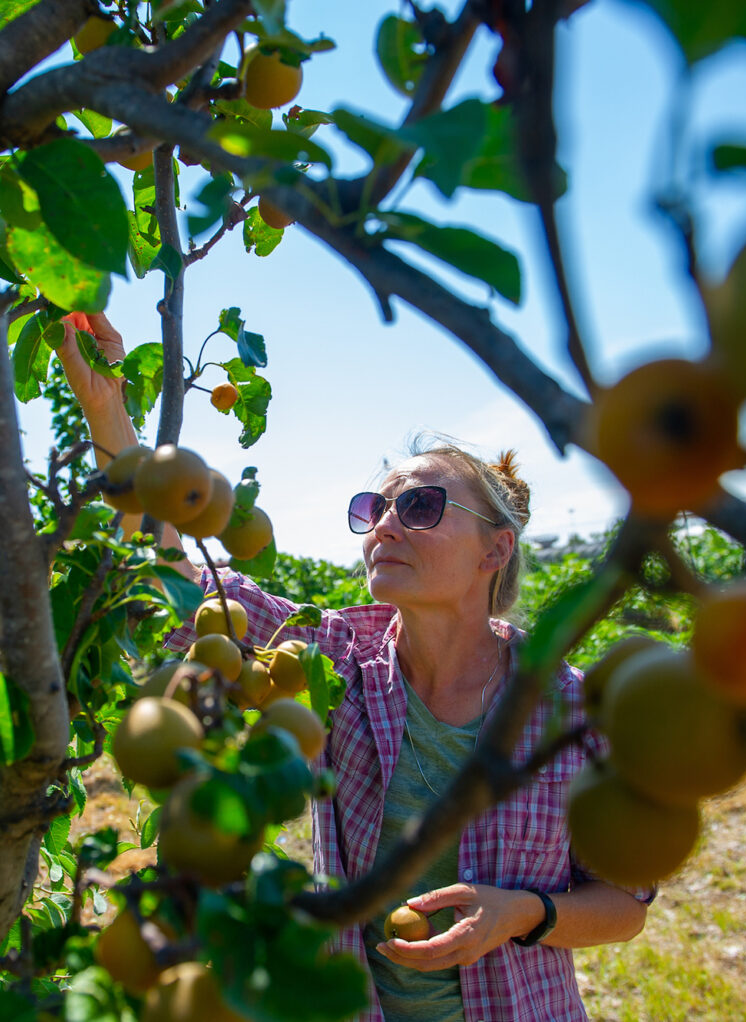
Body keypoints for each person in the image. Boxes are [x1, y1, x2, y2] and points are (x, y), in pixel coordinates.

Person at [56, 312, 652, 1022]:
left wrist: (523, 913)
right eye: (375, 508)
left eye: (420, 506)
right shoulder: (333, 662)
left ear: (495, 551)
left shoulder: (570, 709)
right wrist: (106, 406)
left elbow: (625, 904)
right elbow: (179, 581)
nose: (385, 525)